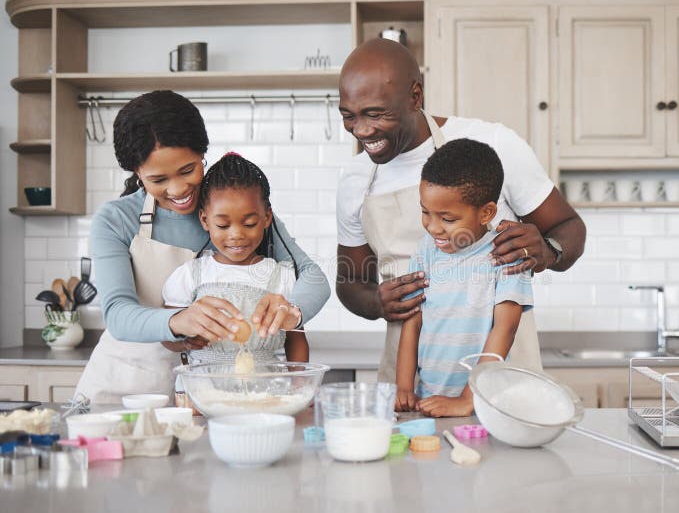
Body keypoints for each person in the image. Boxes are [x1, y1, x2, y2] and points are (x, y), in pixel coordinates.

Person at [336, 39, 586, 383]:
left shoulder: (492, 145)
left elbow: (569, 226)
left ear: (415, 96)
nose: (361, 130)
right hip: (411, 381)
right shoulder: (355, 178)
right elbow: (351, 281)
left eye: (376, 114)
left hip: (501, 375)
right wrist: (375, 303)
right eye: (349, 116)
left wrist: (550, 250)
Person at [75, 90, 329, 404]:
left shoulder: (231, 210)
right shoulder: (116, 220)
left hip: (205, 396)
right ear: (137, 174)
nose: (179, 189)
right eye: (158, 179)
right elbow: (118, 314)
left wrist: (293, 311)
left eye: (187, 170)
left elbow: (314, 277)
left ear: (202, 154)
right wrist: (178, 320)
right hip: (123, 389)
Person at [395, 139, 534, 417]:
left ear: (486, 213)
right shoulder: (426, 250)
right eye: (425, 212)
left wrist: (468, 400)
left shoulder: (507, 253)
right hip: (427, 402)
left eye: (447, 218)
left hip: (484, 404)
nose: (433, 227)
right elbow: (413, 321)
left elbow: (504, 329)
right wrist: (404, 387)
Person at [162, 152, 309, 368]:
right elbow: (166, 335)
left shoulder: (282, 277)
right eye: (223, 226)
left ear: (266, 218)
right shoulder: (191, 274)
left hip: (265, 392)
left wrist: (300, 388)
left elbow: (297, 341)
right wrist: (184, 341)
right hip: (203, 391)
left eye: (249, 224)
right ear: (205, 220)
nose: (236, 235)